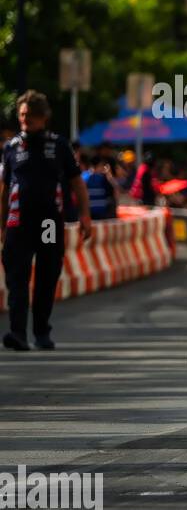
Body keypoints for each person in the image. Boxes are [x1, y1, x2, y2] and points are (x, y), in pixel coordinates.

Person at [1, 91, 95, 351]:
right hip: (18, 224)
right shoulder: (10, 148)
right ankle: (17, 333)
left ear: (44, 117)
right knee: (16, 279)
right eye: (21, 115)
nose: (25, 120)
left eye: (30, 116)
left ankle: (42, 331)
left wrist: (85, 215)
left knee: (46, 275)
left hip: (49, 224)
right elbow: (3, 189)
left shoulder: (59, 145)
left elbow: (77, 183)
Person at [81, 154, 118, 221]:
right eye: (102, 166)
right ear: (98, 166)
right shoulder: (102, 178)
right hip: (100, 214)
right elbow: (114, 193)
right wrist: (108, 175)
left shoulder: (84, 176)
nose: (102, 168)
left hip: (90, 213)